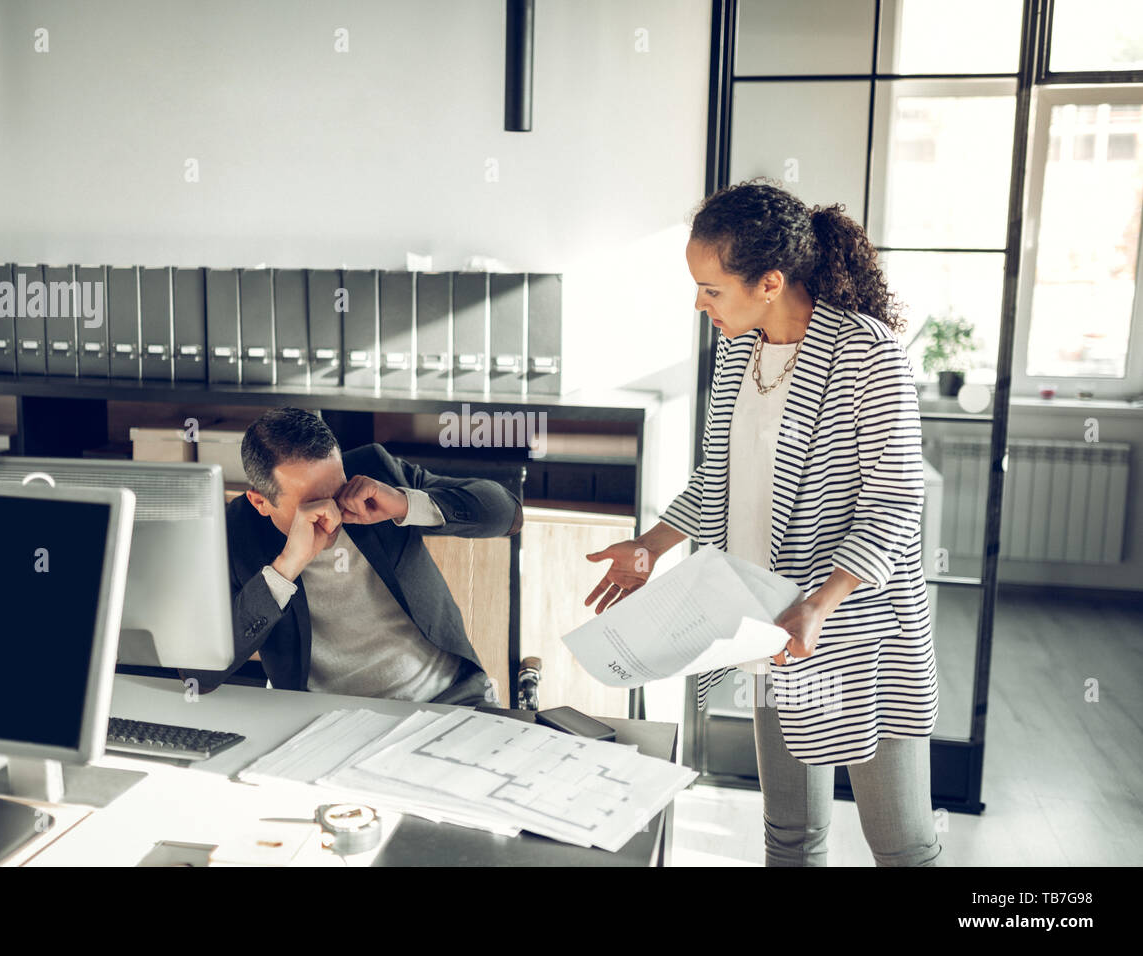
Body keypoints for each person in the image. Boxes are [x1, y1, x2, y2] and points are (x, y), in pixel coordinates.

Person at [585, 180, 942, 866]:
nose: (699, 303)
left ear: (770, 281)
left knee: (903, 845)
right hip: (770, 625)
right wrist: (650, 546)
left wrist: (821, 601)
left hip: (854, 630)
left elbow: (896, 501)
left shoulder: (869, 354)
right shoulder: (737, 351)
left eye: (712, 288)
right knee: (790, 836)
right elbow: (716, 478)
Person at [179, 407, 522, 707]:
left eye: (337, 490)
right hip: (324, 719)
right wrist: (284, 570)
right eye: (312, 503)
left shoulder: (374, 470)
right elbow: (198, 673)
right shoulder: (237, 531)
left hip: (449, 696)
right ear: (260, 502)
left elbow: (508, 514)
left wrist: (405, 503)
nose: (334, 513)